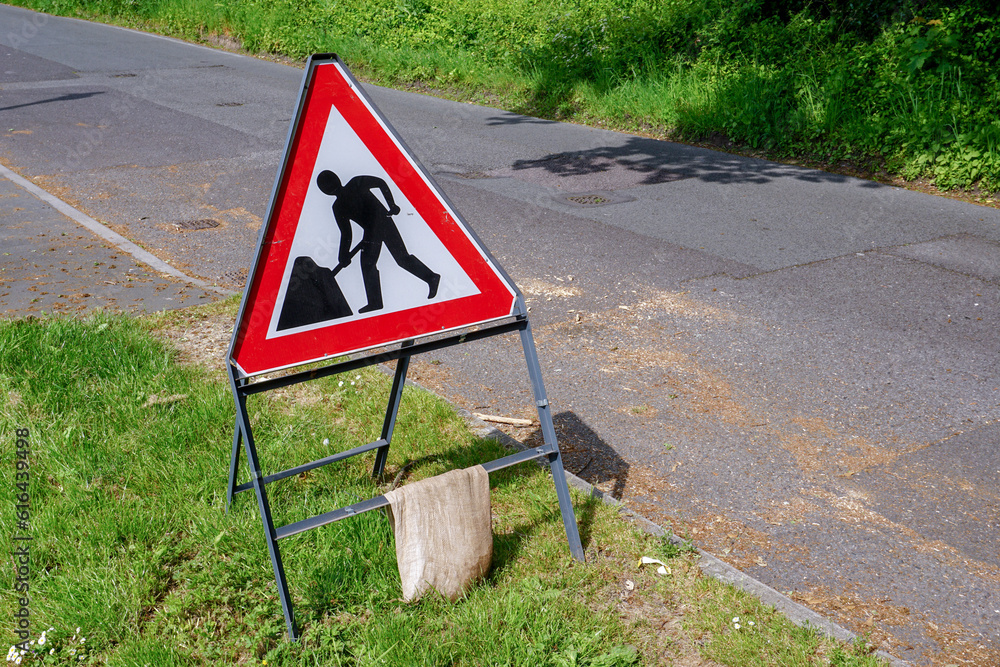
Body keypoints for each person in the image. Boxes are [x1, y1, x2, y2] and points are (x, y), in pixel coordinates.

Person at [316, 170, 440, 313]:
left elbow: (380, 182)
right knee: (373, 264)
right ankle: (375, 302)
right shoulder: (338, 206)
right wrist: (342, 255)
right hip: (371, 231)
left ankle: (431, 278)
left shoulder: (356, 184)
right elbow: (346, 233)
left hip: (383, 222)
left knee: (399, 259)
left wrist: (391, 204)